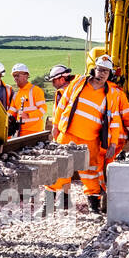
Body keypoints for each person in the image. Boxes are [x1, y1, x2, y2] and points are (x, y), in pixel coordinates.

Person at [51, 54, 129, 213]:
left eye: (106, 72)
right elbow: (63, 103)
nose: (102, 74)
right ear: (94, 69)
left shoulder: (112, 94)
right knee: (59, 167)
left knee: (90, 173)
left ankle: (94, 205)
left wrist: (113, 143)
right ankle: (52, 202)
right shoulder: (78, 83)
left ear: (110, 75)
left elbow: (115, 121)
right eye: (100, 70)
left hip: (91, 139)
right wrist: (55, 124)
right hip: (68, 134)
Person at [43, 64, 79, 212]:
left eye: (54, 80)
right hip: (74, 134)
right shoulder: (76, 90)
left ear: (61, 78)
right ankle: (65, 200)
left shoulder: (61, 92)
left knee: (55, 167)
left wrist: (55, 129)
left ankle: (49, 203)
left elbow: (59, 113)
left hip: (64, 133)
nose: (53, 84)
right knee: (67, 168)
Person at [7, 63, 48, 136]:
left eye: (17, 75)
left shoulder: (36, 90)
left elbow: (43, 109)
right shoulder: (16, 95)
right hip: (20, 133)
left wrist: (28, 115)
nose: (15, 78)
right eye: (14, 76)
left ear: (26, 75)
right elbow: (11, 113)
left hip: (35, 133)